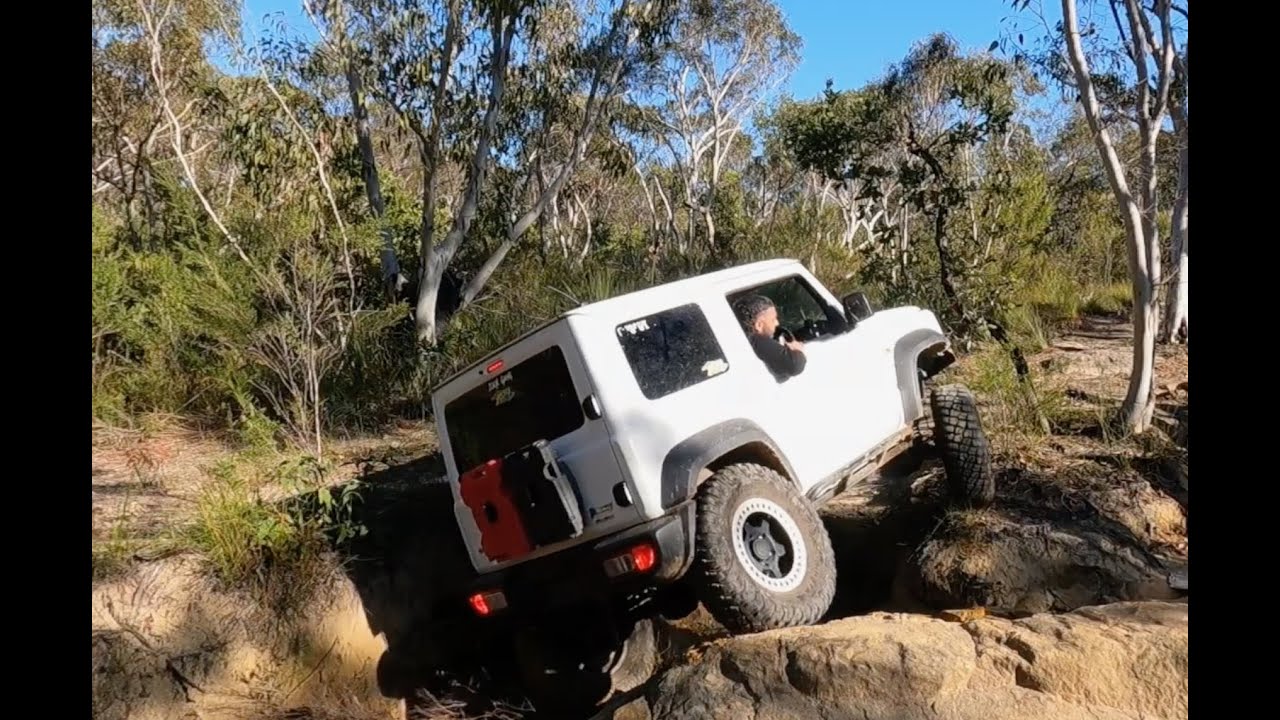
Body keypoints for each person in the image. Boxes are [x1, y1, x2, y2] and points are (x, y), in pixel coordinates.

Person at [732, 294, 806, 379]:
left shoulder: (740, 337)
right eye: (773, 319)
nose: (777, 323)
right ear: (759, 325)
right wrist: (798, 350)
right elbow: (794, 365)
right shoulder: (755, 340)